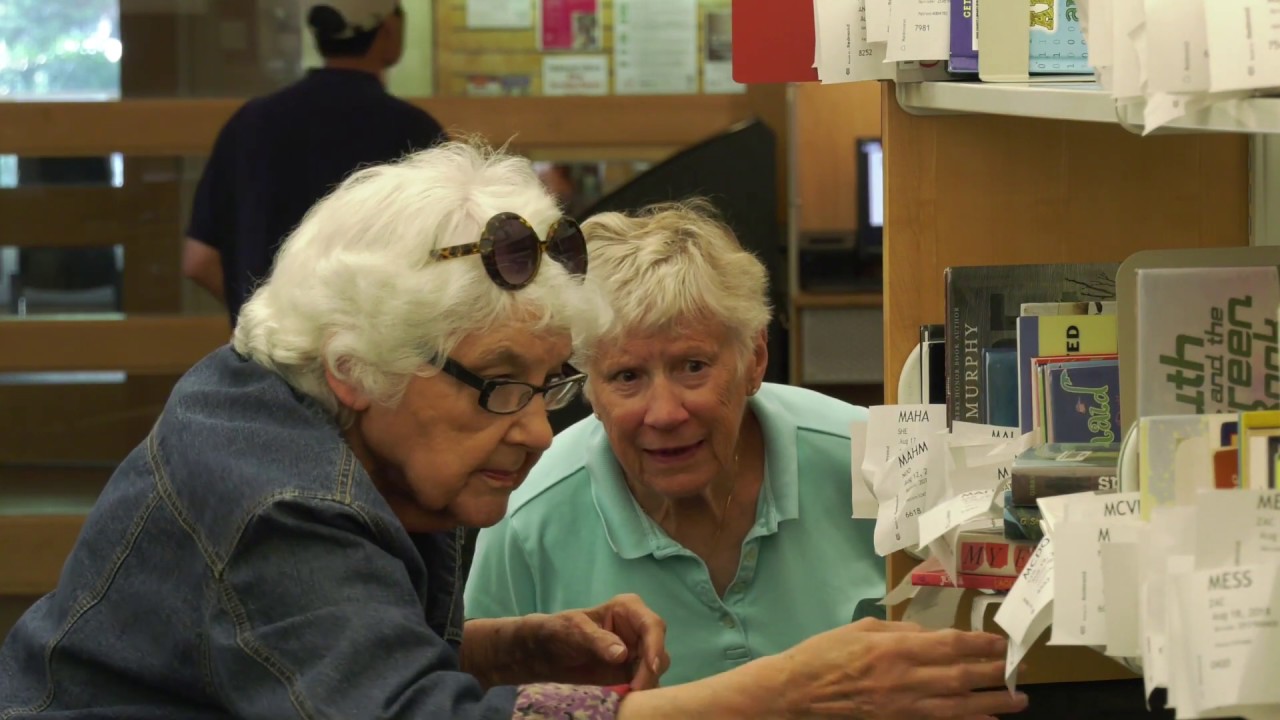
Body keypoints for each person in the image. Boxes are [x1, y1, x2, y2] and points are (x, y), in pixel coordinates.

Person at [1, 142, 1025, 720]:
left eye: (547, 389)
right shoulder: (282, 497)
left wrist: (507, 647)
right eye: (499, 388)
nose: (537, 433)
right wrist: (799, 687)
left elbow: (298, 649)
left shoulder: (301, 410)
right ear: (362, 367)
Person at [464, 201, 1021, 694]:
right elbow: (475, 702)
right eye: (627, 376)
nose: (664, 413)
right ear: (587, 383)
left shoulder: (877, 458)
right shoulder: (526, 515)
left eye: (693, 367)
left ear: (755, 358)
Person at [183, 0, 446, 326]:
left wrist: (261, 319)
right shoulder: (414, 131)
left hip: (265, 356)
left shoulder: (250, 123)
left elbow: (199, 261)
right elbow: (444, 261)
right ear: (390, 29)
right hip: (369, 359)